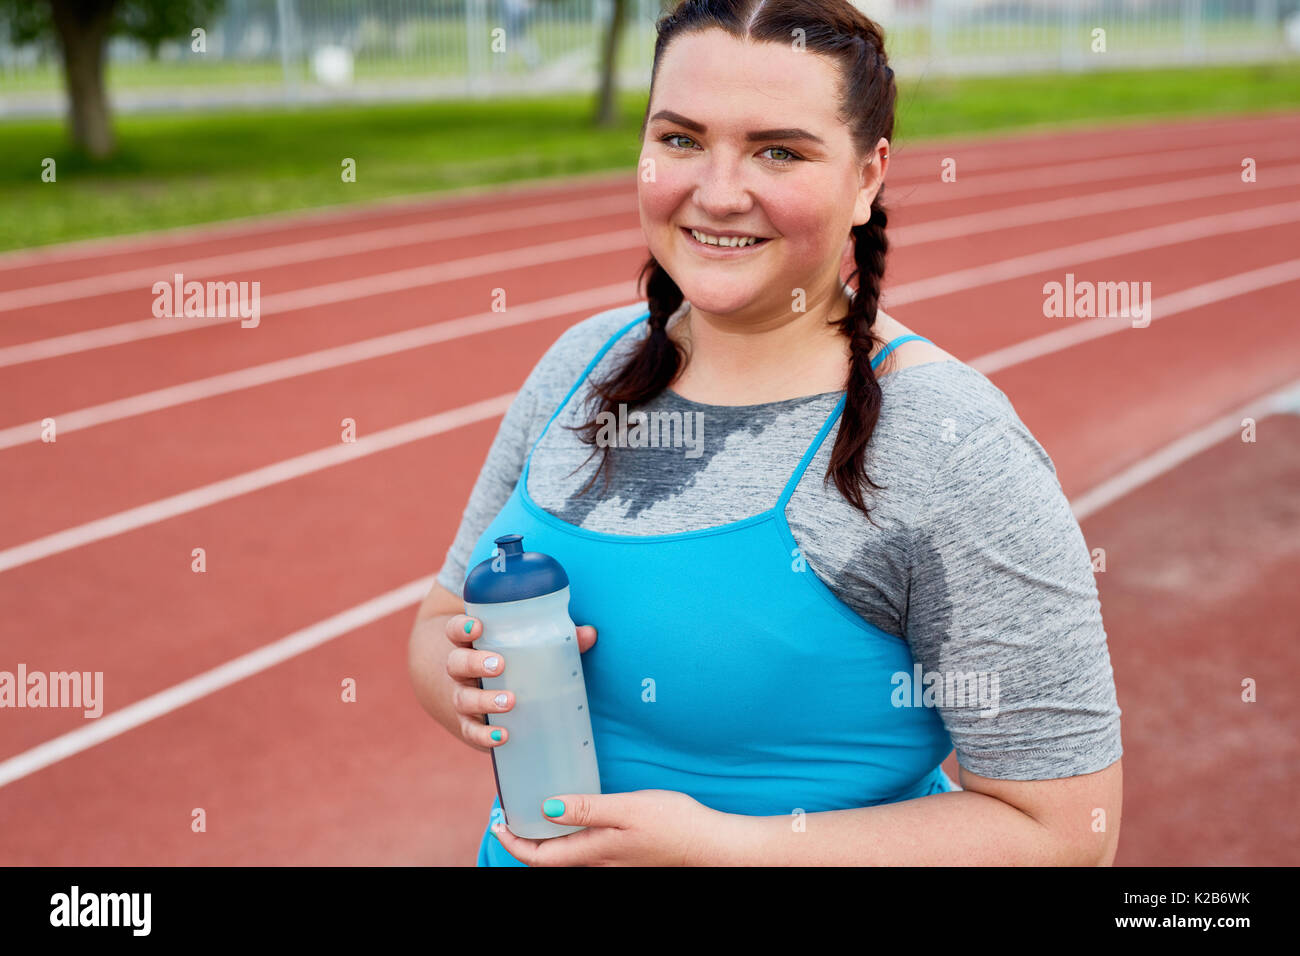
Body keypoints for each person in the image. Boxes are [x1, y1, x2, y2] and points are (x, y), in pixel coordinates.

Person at [408, 0, 1122, 866]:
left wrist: (720, 846)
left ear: (868, 176)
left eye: (778, 150)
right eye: (679, 140)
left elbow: (1067, 832)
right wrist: (463, 681)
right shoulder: (581, 365)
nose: (716, 192)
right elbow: (441, 620)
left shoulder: (950, 445)